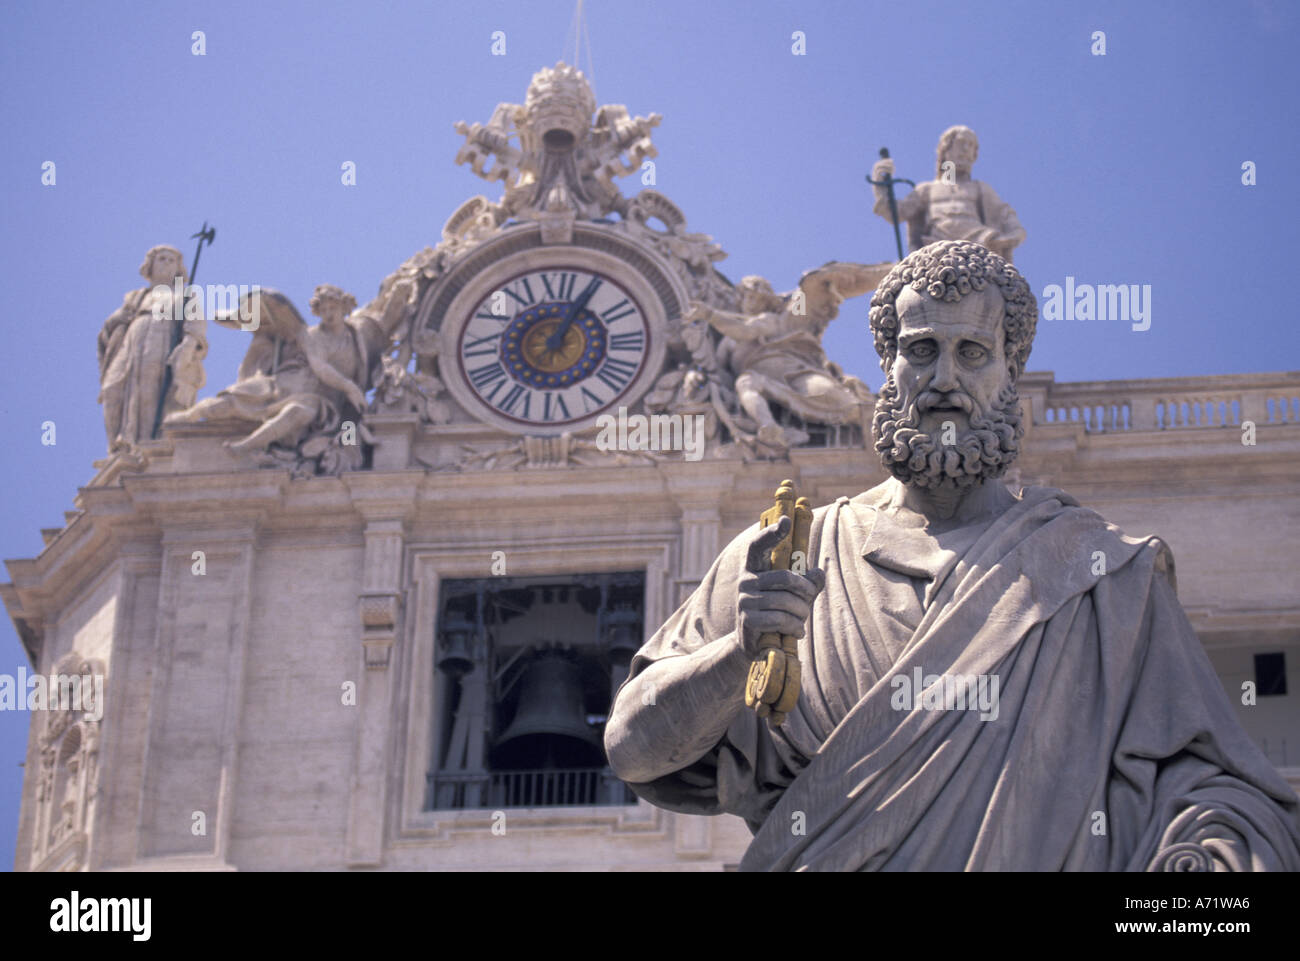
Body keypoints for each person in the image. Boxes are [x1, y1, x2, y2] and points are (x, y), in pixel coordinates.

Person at [604, 240, 1300, 871]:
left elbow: (1216, 792)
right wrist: (738, 654)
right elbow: (633, 750)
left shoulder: (1103, 575)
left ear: (1008, 372)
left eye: (972, 352)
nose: (944, 378)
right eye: (922, 348)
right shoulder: (792, 550)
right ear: (889, 366)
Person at [97, 245, 207, 452]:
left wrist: (187, 345)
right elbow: (109, 326)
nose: (166, 263)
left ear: (178, 269)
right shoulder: (136, 297)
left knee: (149, 388)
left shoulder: (184, 295)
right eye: (162, 259)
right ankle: (119, 446)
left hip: (161, 337)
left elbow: (196, 323)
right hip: (133, 338)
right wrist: (117, 321)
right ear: (151, 265)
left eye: (171, 261)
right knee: (113, 388)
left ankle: (146, 447)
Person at [871, 126, 1026, 262]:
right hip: (935, 248)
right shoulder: (927, 189)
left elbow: (1004, 214)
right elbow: (895, 213)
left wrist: (1015, 232)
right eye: (961, 143)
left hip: (979, 245)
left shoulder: (980, 188)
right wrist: (881, 187)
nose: (966, 150)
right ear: (946, 150)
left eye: (971, 146)